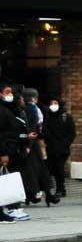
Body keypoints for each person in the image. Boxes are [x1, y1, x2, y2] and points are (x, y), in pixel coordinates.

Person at [0, 84, 29, 221]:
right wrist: (4, 152)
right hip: (5, 150)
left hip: (11, 149)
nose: (10, 95)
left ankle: (10, 208)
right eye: (7, 92)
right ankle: (11, 208)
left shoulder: (8, 110)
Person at [42, 96, 77, 203]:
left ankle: (60, 188)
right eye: (51, 103)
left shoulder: (66, 117)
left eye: (55, 103)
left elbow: (72, 133)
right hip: (50, 147)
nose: (53, 105)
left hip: (62, 149)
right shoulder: (47, 117)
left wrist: (65, 144)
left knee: (59, 168)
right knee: (51, 168)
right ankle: (52, 189)